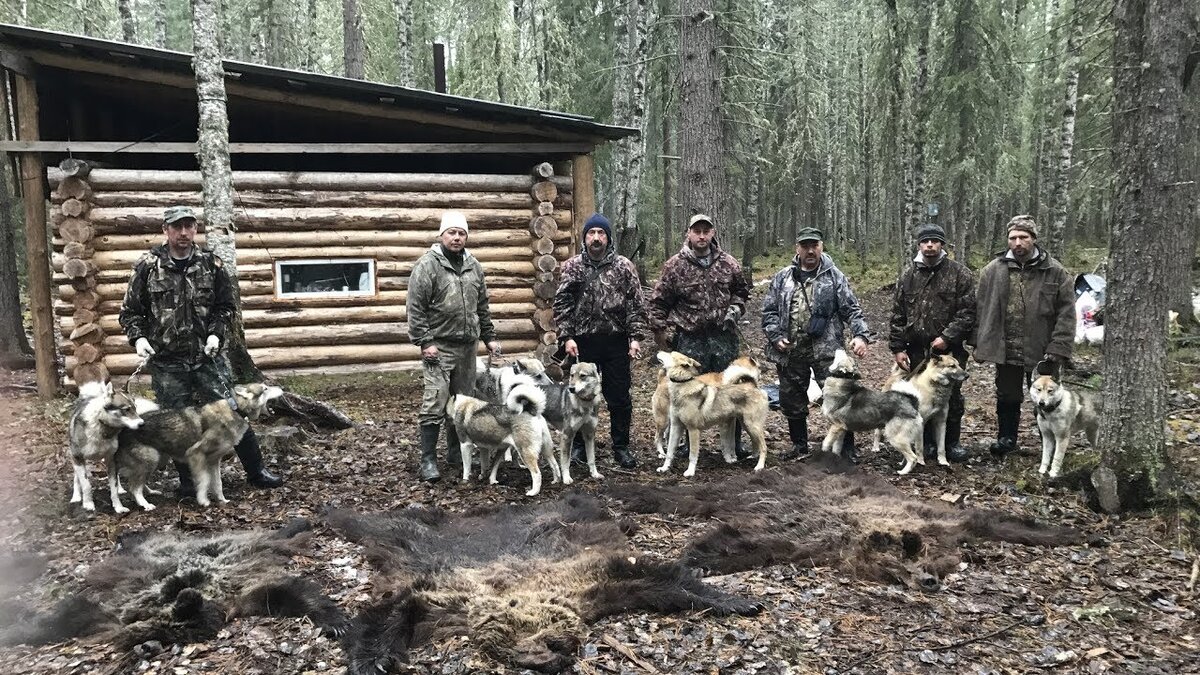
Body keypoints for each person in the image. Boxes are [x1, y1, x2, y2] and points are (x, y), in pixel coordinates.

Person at [118, 206, 283, 498]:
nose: (183, 233)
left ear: (195, 229)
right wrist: (139, 339)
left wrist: (215, 333)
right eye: (177, 227)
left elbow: (226, 307)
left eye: (189, 226)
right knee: (175, 423)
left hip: (207, 357)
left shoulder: (212, 263)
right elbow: (130, 312)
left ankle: (256, 471)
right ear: (165, 230)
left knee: (235, 411)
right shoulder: (147, 265)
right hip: (167, 362)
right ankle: (188, 482)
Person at [762, 227, 871, 460]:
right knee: (791, 399)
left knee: (839, 399)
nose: (810, 250)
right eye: (805, 246)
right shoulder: (783, 277)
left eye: (815, 245)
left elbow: (852, 309)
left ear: (821, 247)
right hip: (790, 350)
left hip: (827, 351)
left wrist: (861, 336)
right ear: (797, 248)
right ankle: (799, 446)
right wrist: (775, 336)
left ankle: (847, 449)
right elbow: (769, 311)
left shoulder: (835, 276)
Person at [407, 211, 500, 482]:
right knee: (435, 401)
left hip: (467, 347)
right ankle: (427, 461)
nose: (457, 237)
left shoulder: (474, 267)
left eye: (461, 233)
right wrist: (425, 342)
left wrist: (489, 337)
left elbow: (482, 307)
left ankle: (456, 453)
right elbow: (415, 307)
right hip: (439, 347)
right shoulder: (427, 266)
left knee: (463, 401)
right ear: (442, 235)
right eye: (452, 232)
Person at [971, 215, 1075, 456]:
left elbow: (1067, 314)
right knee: (1007, 396)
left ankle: (1049, 445)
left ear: (1034, 239)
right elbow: (981, 308)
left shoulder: (1055, 272)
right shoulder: (993, 271)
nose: (1018, 242)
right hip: (1005, 347)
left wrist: (1059, 347)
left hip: (1042, 349)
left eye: (1023, 237)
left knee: (1047, 398)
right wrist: (977, 342)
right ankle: (1006, 439)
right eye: (1013, 238)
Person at [552, 213, 649, 469]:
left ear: (608, 238)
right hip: (583, 342)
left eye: (601, 233)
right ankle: (580, 448)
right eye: (591, 233)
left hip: (616, 341)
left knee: (619, 397)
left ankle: (621, 446)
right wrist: (567, 337)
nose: (596, 238)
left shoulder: (624, 266)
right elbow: (562, 303)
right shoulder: (572, 266)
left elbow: (636, 304)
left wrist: (635, 338)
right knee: (580, 397)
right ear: (585, 238)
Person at [650, 213, 751, 456]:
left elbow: (742, 292)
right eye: (697, 231)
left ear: (713, 233)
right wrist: (660, 332)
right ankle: (685, 443)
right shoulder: (675, 265)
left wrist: (735, 310)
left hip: (723, 337)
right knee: (687, 391)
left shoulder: (729, 263)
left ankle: (733, 444)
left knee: (730, 391)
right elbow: (658, 302)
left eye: (706, 231)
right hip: (690, 338)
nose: (702, 235)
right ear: (689, 234)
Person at [887, 223, 976, 463]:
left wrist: (947, 337)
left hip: (950, 350)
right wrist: (897, 348)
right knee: (918, 398)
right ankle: (922, 443)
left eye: (934, 241)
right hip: (917, 350)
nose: (929, 245)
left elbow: (967, 312)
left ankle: (951, 443)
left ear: (942, 245)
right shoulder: (908, 276)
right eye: (925, 241)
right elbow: (898, 314)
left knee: (952, 396)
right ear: (918, 245)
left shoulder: (959, 274)